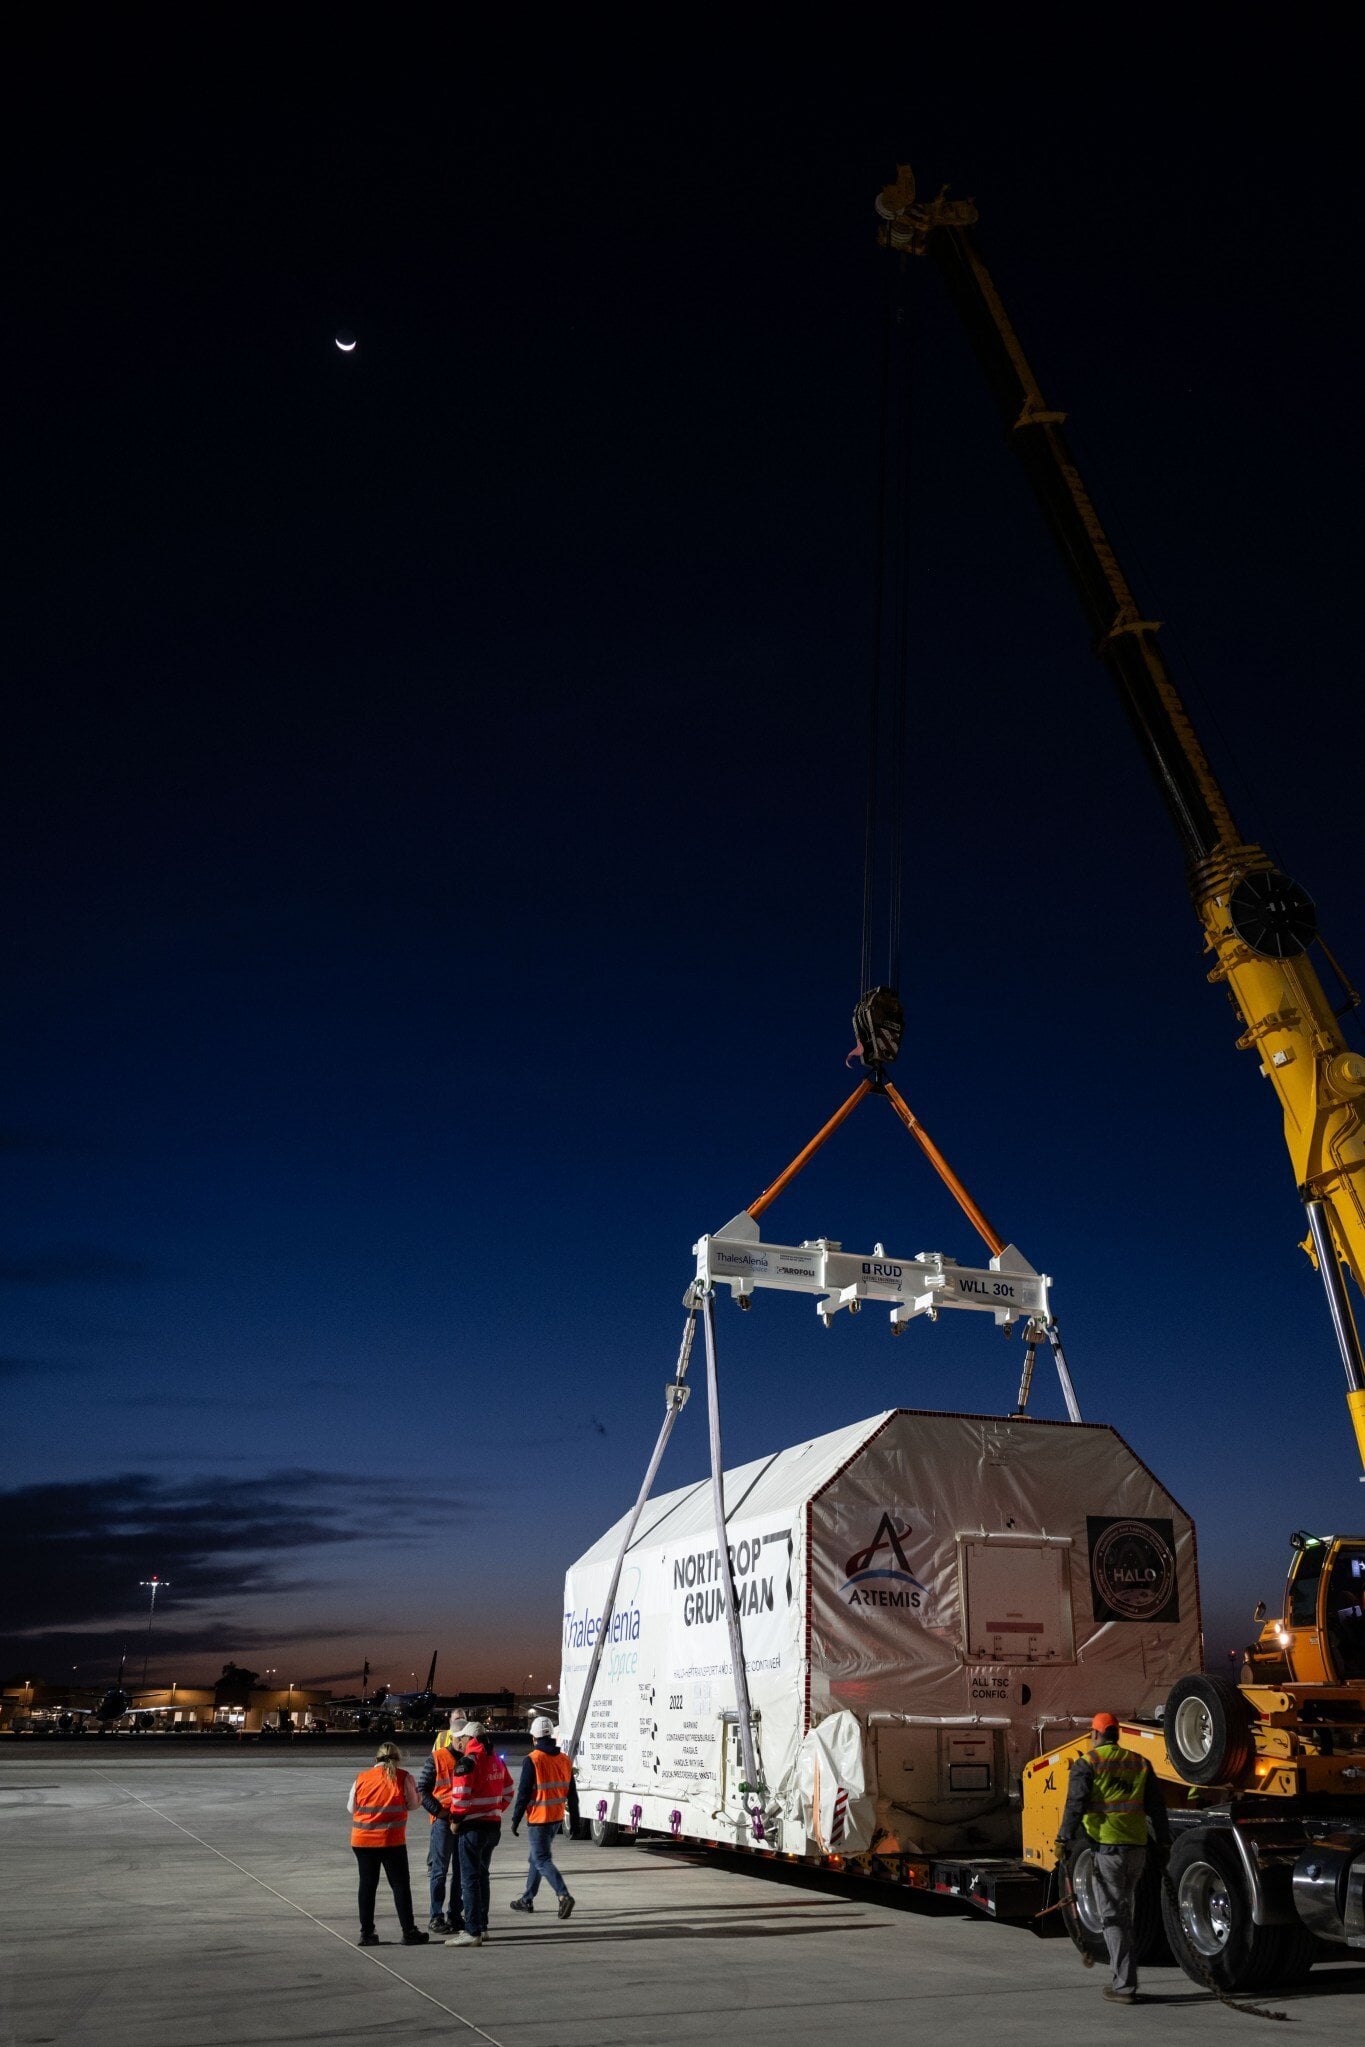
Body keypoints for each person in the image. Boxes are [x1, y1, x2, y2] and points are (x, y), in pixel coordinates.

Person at [1056, 1710, 1170, 2005]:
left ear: (1095, 1735)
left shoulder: (1088, 1763)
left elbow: (1075, 1804)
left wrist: (1063, 1839)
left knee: (1112, 1919)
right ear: (1116, 1734)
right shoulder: (1139, 1762)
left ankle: (1124, 1987)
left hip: (1108, 1851)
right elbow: (1157, 1808)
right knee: (1124, 1913)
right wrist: (1163, 1844)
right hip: (1137, 1851)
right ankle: (1125, 1980)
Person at [347, 1740, 430, 1946]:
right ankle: (408, 1931)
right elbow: (413, 1804)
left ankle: (367, 1933)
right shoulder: (403, 1777)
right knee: (400, 1886)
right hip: (391, 1841)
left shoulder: (362, 1778)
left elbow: (351, 1807)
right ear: (398, 1759)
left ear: (375, 1759)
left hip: (362, 1841)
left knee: (367, 1886)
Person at [443, 1721, 514, 1947]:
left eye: (461, 1739)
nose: (459, 1742)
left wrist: (455, 1821)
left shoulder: (467, 1762)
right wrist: (494, 1810)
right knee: (483, 1877)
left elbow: (460, 1797)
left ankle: (472, 1930)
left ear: (468, 1739)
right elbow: (509, 1792)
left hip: (472, 1828)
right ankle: (482, 1927)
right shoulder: (496, 1761)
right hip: (493, 1827)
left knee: (469, 1880)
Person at [508, 1715, 579, 1918]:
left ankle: (563, 1895)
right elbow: (573, 1795)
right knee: (535, 1859)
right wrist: (574, 1819)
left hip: (539, 1819)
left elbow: (523, 1794)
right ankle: (527, 1899)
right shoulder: (565, 1760)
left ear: (534, 1738)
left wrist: (515, 1819)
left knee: (541, 1859)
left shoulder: (533, 1759)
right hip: (555, 1819)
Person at [416, 1709, 468, 1933]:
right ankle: (435, 1916)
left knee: (459, 1873)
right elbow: (422, 1790)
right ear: (453, 1738)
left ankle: (455, 1915)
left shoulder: (470, 1760)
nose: (462, 1743)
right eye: (459, 1739)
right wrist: (441, 1812)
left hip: (464, 1822)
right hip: (444, 1822)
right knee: (439, 1872)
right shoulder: (437, 1758)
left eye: (466, 1739)